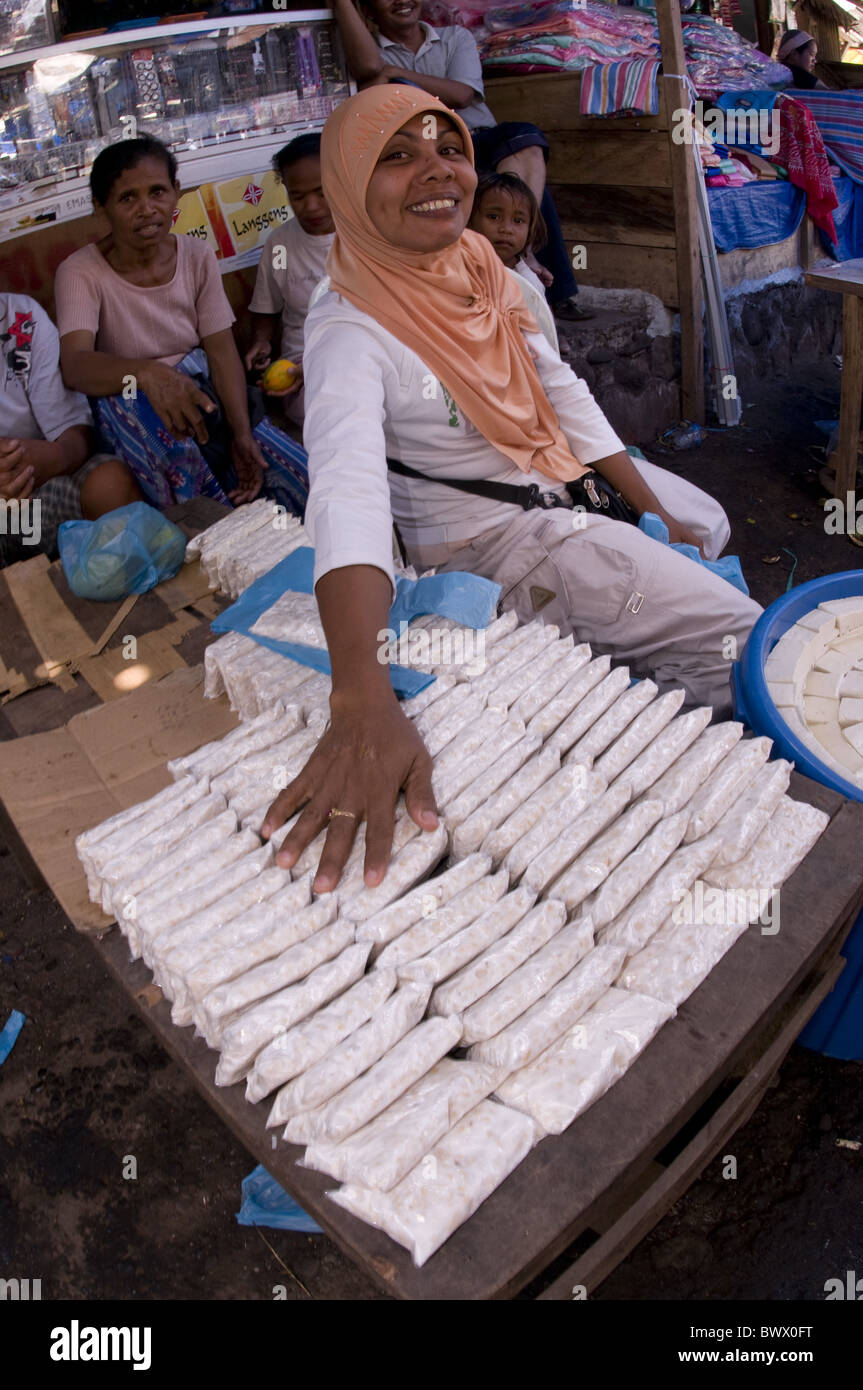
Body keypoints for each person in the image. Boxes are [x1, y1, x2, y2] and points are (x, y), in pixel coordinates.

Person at [261, 85, 763, 895]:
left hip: (545, 483)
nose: (437, 171)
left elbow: (559, 391)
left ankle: (665, 682)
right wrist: (359, 694)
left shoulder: (471, 265)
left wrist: (654, 514)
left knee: (704, 526)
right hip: (492, 540)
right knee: (751, 645)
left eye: (449, 148)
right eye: (396, 155)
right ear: (352, 182)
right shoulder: (348, 326)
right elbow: (347, 494)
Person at [56, 135, 308, 515]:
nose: (147, 209)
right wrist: (150, 375)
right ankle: (210, 529)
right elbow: (75, 365)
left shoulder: (196, 254)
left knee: (301, 478)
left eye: (157, 191)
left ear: (176, 192)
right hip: (131, 398)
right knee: (194, 497)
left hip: (201, 392)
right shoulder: (80, 271)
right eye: (127, 198)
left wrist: (241, 433)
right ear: (100, 206)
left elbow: (220, 350)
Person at [331, 0, 593, 320]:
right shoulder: (370, 54)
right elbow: (370, 71)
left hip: (479, 140)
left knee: (524, 144)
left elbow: (462, 95)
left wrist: (397, 74)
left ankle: (529, 260)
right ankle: (541, 282)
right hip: (432, 152)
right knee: (512, 189)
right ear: (369, 10)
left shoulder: (455, 37)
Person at [0, 292, 140, 568]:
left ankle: (122, 596)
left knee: (109, 485)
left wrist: (40, 459)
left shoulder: (19, 320)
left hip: (26, 507)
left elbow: (75, 437)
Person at [244, 133, 335, 425]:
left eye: (322, 192)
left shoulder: (369, 235)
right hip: (298, 367)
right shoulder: (280, 245)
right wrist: (262, 342)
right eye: (298, 195)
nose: (310, 206)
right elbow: (266, 309)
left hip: (363, 354)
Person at [468, 170, 547, 293]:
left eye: (518, 221)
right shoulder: (454, 269)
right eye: (494, 217)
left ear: (530, 228)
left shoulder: (529, 285)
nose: (507, 229)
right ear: (469, 220)